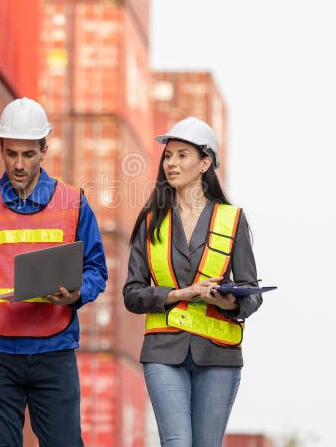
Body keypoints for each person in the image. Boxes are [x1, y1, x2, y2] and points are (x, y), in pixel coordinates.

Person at [0, 97, 108, 447]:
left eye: (28, 155)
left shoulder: (73, 203)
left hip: (54, 351)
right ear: (0, 148)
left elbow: (96, 268)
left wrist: (77, 293)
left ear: (44, 150)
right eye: (11, 153)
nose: (18, 165)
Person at [122, 117, 263, 447]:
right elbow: (132, 294)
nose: (171, 163)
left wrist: (229, 302)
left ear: (205, 163)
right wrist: (179, 294)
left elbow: (252, 293)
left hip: (218, 355)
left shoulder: (232, 220)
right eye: (168, 156)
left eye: (182, 155)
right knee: (177, 443)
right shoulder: (150, 221)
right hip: (163, 351)